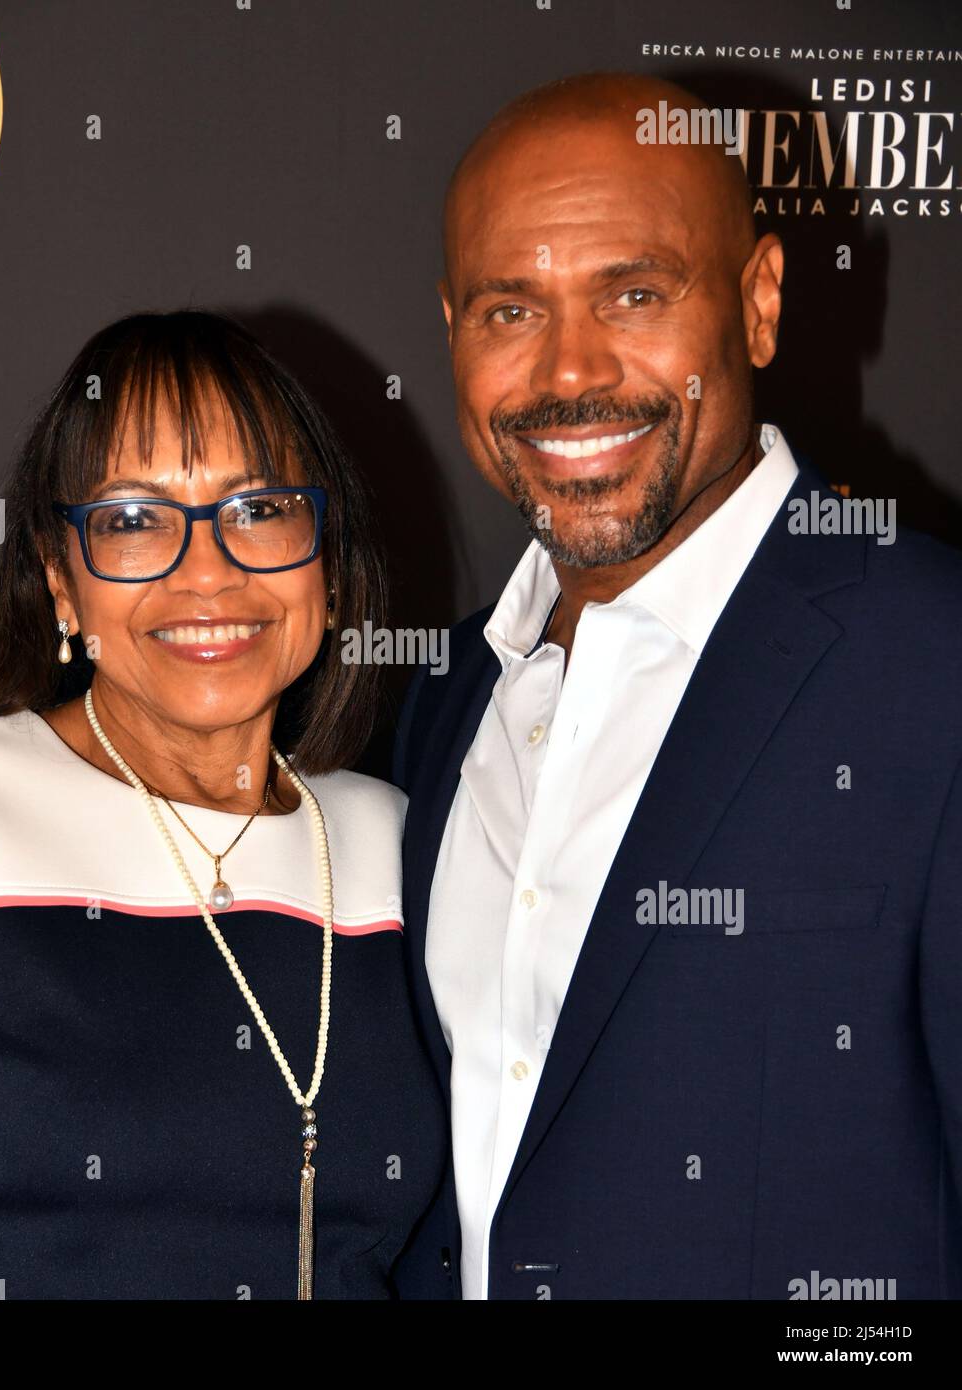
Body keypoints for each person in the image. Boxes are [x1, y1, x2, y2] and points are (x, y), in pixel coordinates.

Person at [391, 72, 962, 1300]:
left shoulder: (935, 662)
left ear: (758, 304)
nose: (569, 371)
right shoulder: (433, 706)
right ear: (449, 329)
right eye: (508, 311)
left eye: (633, 294)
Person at [0, 309, 448, 1300]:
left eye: (257, 509)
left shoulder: (401, 843)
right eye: (131, 519)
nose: (207, 570)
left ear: (325, 559)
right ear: (59, 580)